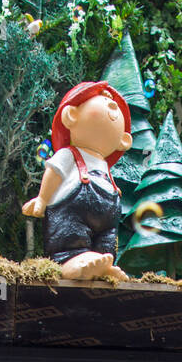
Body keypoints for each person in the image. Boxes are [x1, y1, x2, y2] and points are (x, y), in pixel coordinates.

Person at [23, 81, 132, 281]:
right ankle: (70, 263)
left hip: (107, 221)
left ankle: (103, 267)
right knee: (70, 240)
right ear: (71, 115)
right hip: (71, 215)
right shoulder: (69, 154)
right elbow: (53, 173)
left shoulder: (105, 166)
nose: (112, 105)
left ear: (123, 140)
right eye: (104, 100)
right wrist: (42, 199)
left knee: (106, 248)